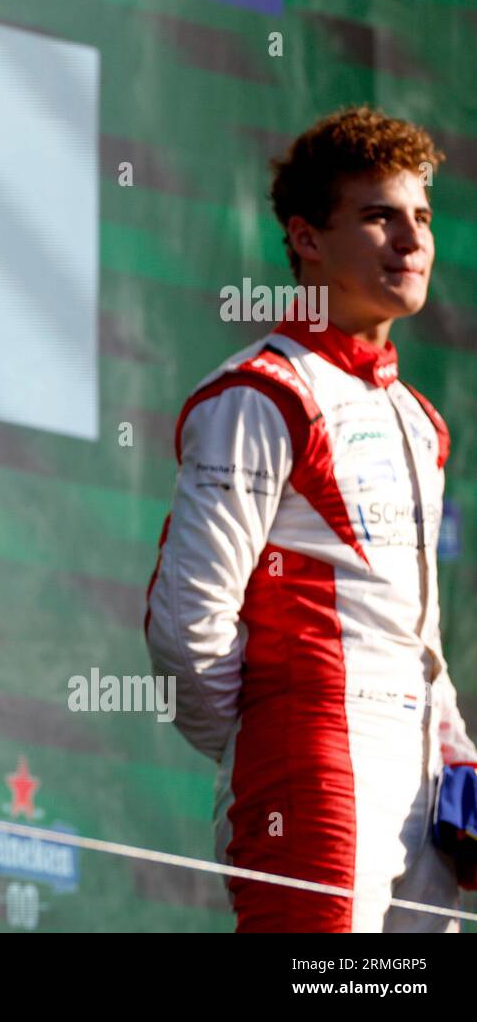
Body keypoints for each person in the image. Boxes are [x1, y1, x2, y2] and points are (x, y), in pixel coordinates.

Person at [145, 105, 476, 932]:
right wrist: (276, 737)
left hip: (421, 782)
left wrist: (457, 754)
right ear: (306, 238)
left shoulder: (421, 420)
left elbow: (418, 635)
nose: (412, 240)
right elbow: (187, 625)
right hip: (313, 760)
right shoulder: (262, 393)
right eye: (379, 216)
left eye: (423, 218)